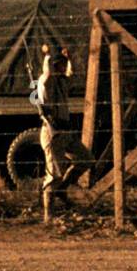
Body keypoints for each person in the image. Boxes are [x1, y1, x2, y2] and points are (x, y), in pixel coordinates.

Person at [36, 44, 89, 222]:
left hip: (65, 131)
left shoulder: (62, 82)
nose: (63, 67)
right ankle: (48, 215)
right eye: (61, 64)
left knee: (85, 159)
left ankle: (61, 189)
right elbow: (48, 73)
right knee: (53, 174)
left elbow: (71, 76)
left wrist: (70, 59)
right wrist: (48, 55)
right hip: (53, 133)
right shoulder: (46, 82)